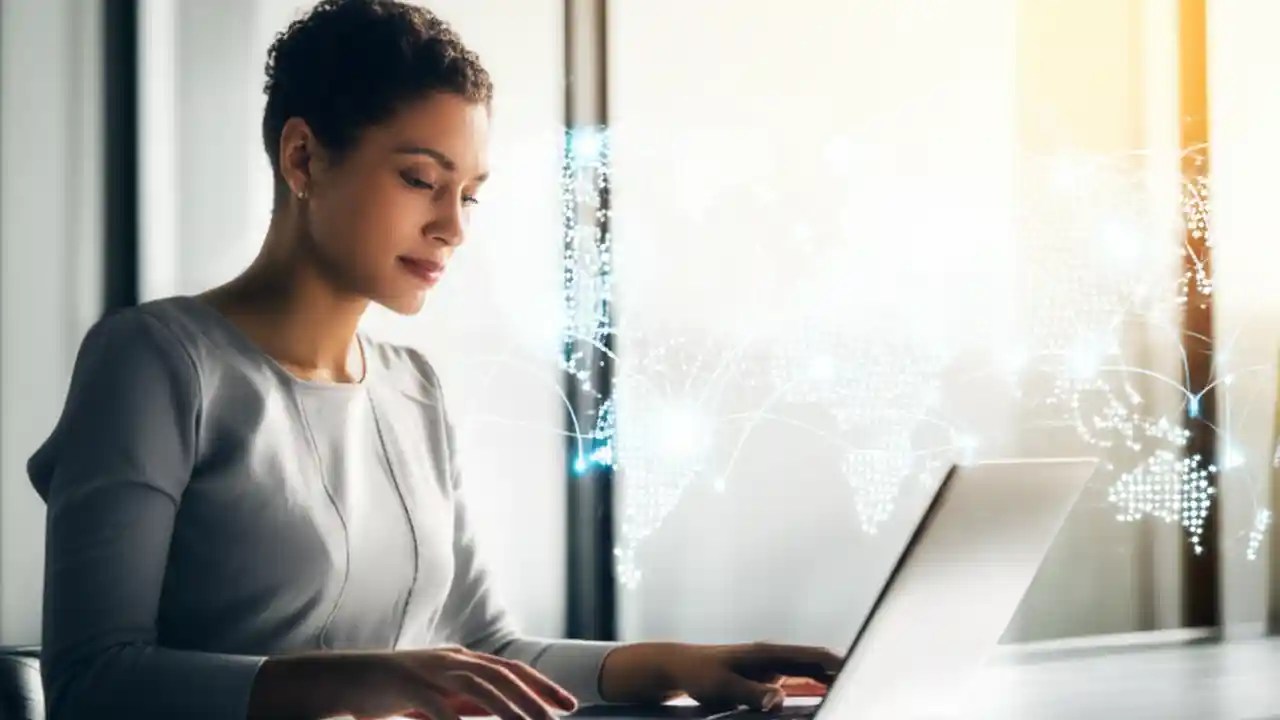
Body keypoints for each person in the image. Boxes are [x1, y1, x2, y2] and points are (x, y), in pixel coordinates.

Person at [27, 1, 840, 718]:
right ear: (303, 158)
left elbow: (487, 653)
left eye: (470, 192)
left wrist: (673, 664)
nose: (454, 226)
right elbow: (93, 685)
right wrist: (368, 684)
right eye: (422, 179)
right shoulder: (156, 363)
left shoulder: (412, 388)